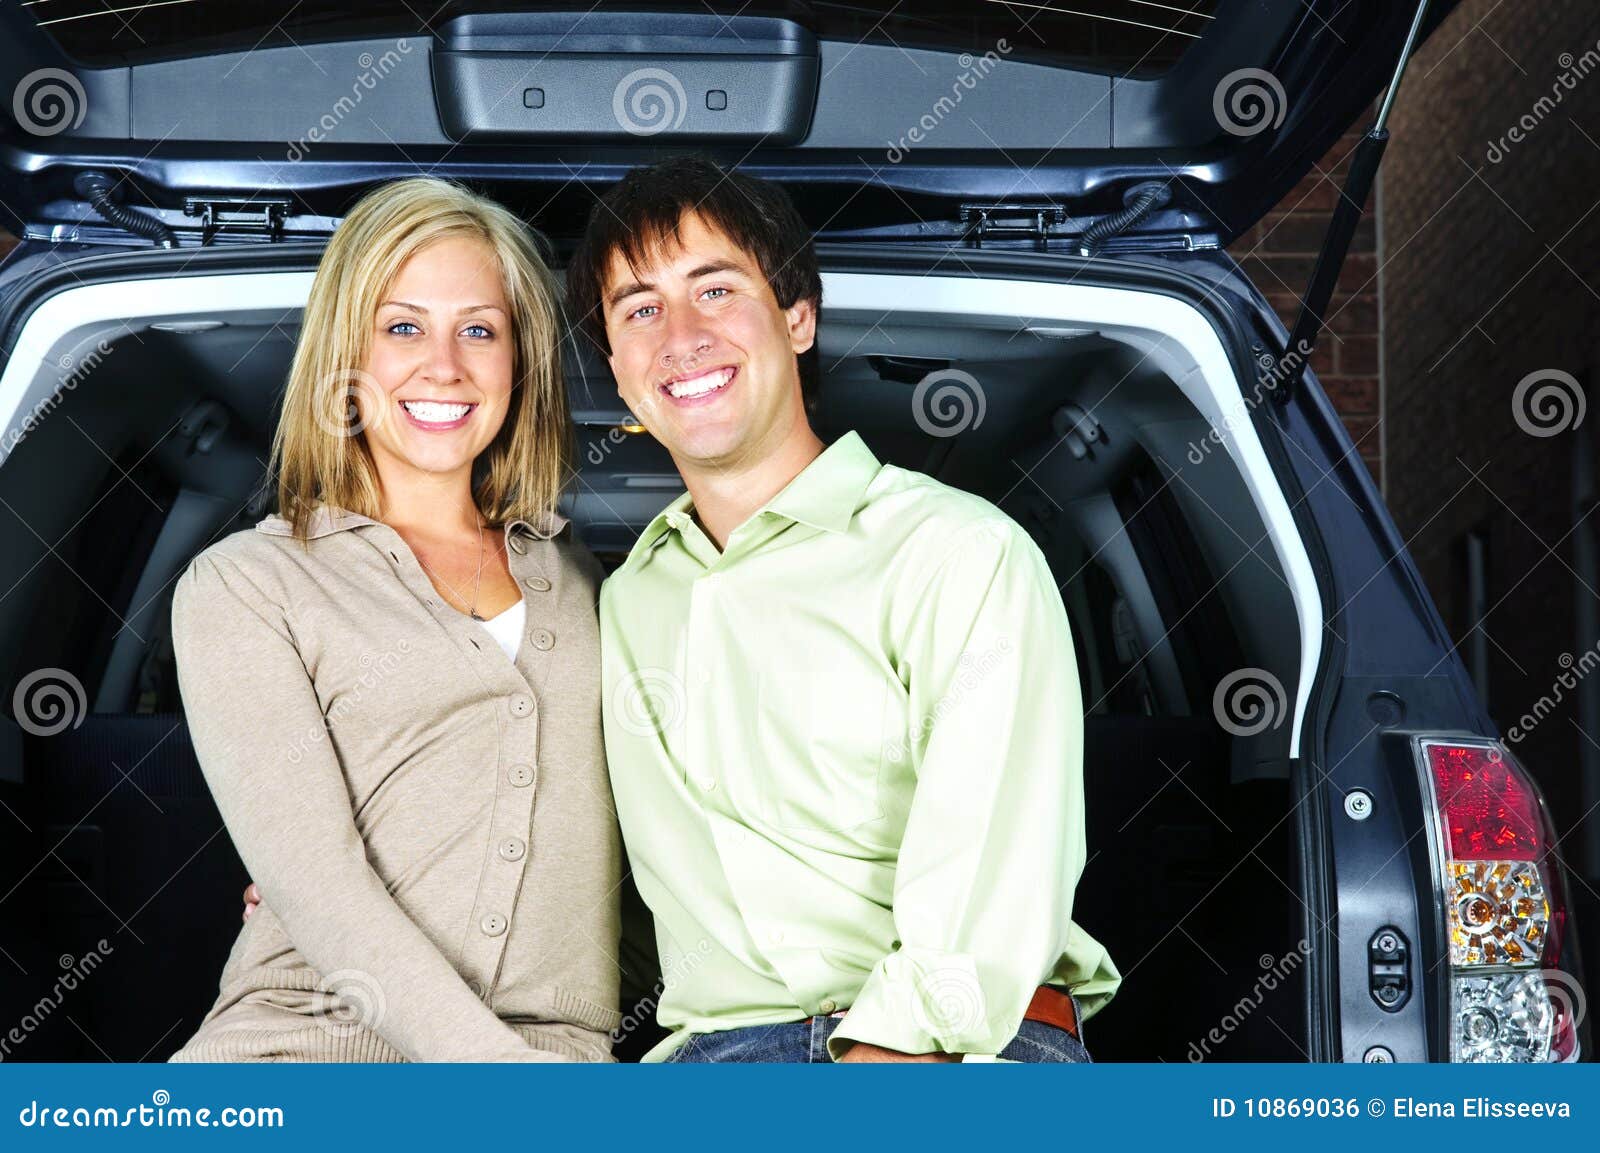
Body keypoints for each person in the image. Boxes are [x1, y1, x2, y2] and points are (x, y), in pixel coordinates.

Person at [563, 156, 1121, 1062]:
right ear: (619, 372)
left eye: (715, 289)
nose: (681, 335)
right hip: (716, 1056)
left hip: (963, 1045)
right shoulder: (623, 602)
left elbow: (988, 877)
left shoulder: (957, 552)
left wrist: (882, 1058)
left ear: (798, 317)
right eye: (640, 309)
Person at [170, 176, 621, 1062]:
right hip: (302, 1052)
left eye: (479, 330)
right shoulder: (247, 584)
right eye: (403, 327)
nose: (444, 366)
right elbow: (316, 880)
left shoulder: (581, 581)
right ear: (346, 356)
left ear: (518, 362)